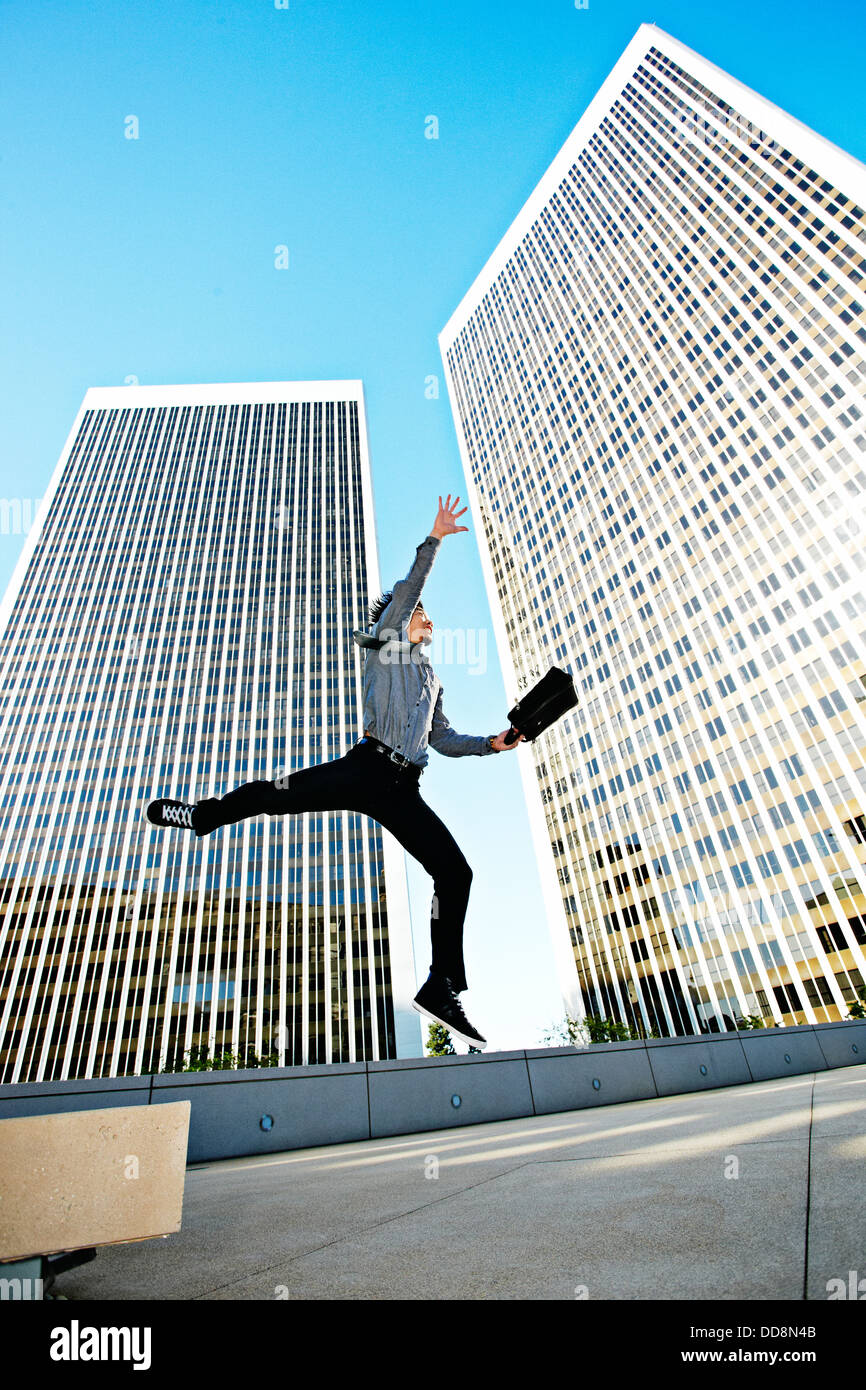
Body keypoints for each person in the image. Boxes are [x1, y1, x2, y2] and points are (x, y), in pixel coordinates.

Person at [147, 494, 523, 1049]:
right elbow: (409, 591)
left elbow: (442, 739)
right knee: (277, 793)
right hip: (364, 769)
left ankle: (441, 985)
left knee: (456, 873)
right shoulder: (386, 645)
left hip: (402, 787)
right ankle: (203, 815)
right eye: (417, 611)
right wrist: (435, 537)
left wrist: (495, 742)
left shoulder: (430, 679)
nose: (426, 616)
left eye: (421, 613)